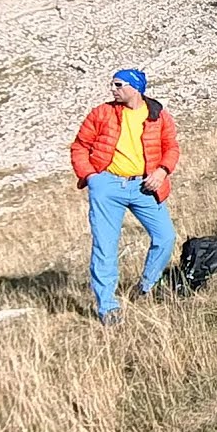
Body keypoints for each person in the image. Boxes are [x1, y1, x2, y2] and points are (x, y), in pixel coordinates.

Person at [69, 69, 179, 326]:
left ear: (135, 87)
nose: (113, 89)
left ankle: (146, 286)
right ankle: (108, 307)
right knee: (105, 246)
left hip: (145, 186)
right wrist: (92, 178)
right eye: (112, 84)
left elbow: (171, 146)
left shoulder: (158, 115)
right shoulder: (101, 113)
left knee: (165, 237)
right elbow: (80, 146)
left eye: (118, 84)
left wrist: (162, 171)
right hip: (107, 186)